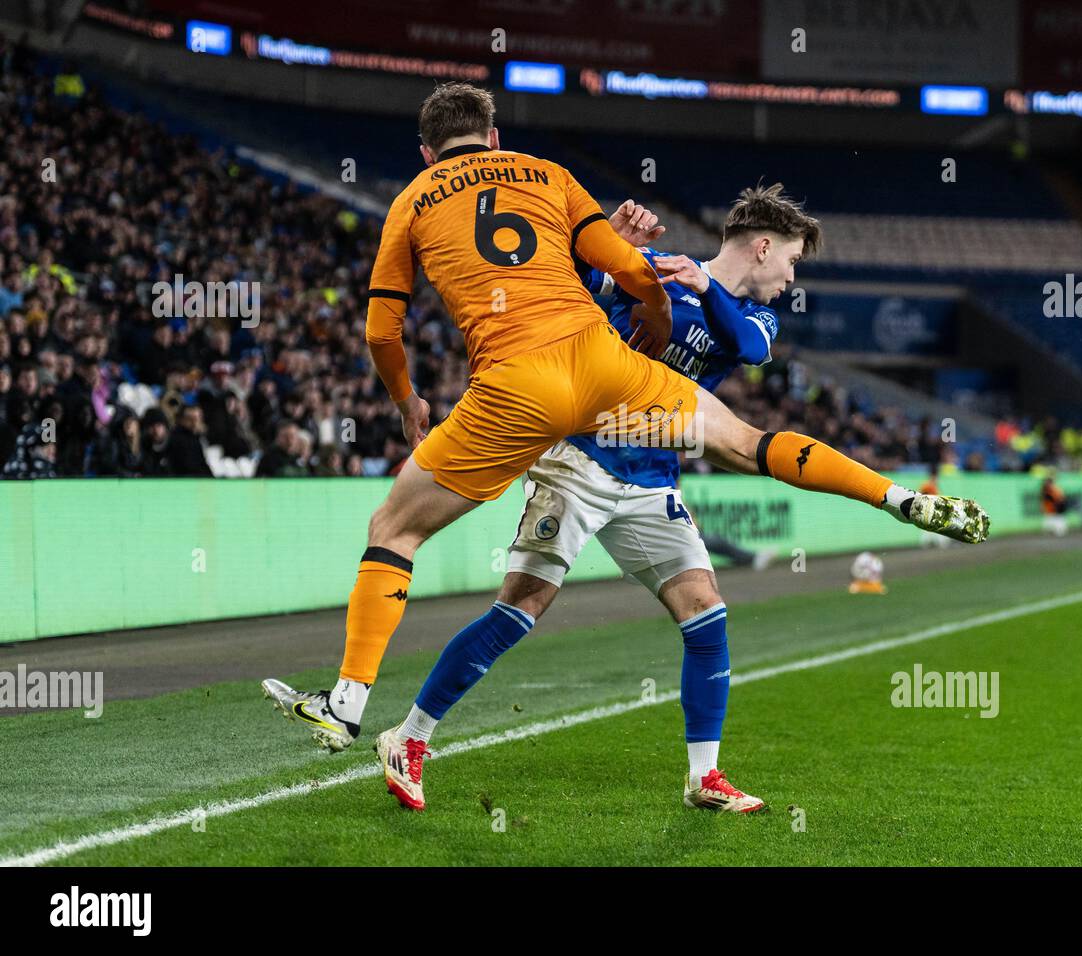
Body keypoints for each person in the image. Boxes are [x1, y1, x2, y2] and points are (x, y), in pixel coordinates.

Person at [260, 82, 990, 813]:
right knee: (522, 607)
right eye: (792, 262)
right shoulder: (617, 229)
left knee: (706, 610)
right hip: (580, 451)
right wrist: (630, 261)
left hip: (648, 472)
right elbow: (561, 283)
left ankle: (703, 774)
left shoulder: (753, 318)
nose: (791, 280)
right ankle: (411, 735)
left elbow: (741, 344)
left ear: (429, 152)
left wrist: (683, 287)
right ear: (764, 245)